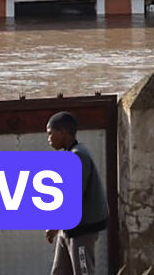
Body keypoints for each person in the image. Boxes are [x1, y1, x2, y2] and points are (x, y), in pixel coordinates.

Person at [45, 111, 109, 275]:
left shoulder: (78, 156)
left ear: (63, 132)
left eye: (51, 133)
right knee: (59, 271)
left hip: (82, 230)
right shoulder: (71, 154)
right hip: (69, 228)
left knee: (83, 271)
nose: (49, 139)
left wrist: (54, 224)